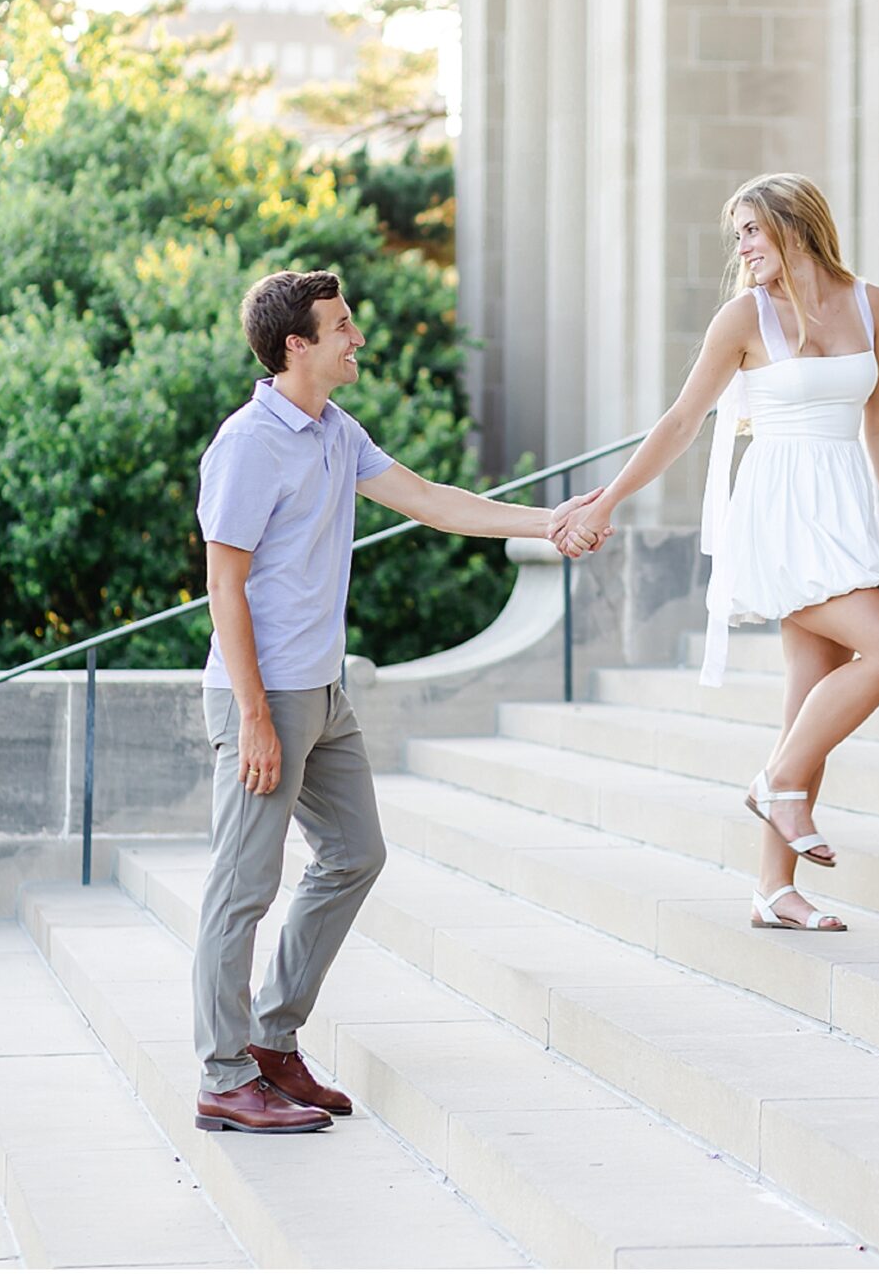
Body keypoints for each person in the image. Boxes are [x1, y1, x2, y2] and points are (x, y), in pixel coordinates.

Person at [192, 267, 599, 1133]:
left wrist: (547, 520)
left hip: (326, 694)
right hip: (263, 697)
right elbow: (223, 586)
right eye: (341, 326)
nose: (358, 338)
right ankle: (224, 1077)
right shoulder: (247, 443)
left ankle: (272, 1041)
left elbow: (432, 503)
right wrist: (257, 715)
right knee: (243, 887)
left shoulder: (337, 431)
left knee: (356, 854)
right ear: (295, 345)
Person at [565, 173, 879, 932]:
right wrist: (608, 499)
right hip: (779, 510)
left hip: (844, 506)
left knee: (809, 695)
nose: (743, 248)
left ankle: (773, 888)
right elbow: (680, 422)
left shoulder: (871, 304)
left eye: (752, 231)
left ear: (796, 227)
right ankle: (778, 781)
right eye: (740, 235)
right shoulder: (742, 319)